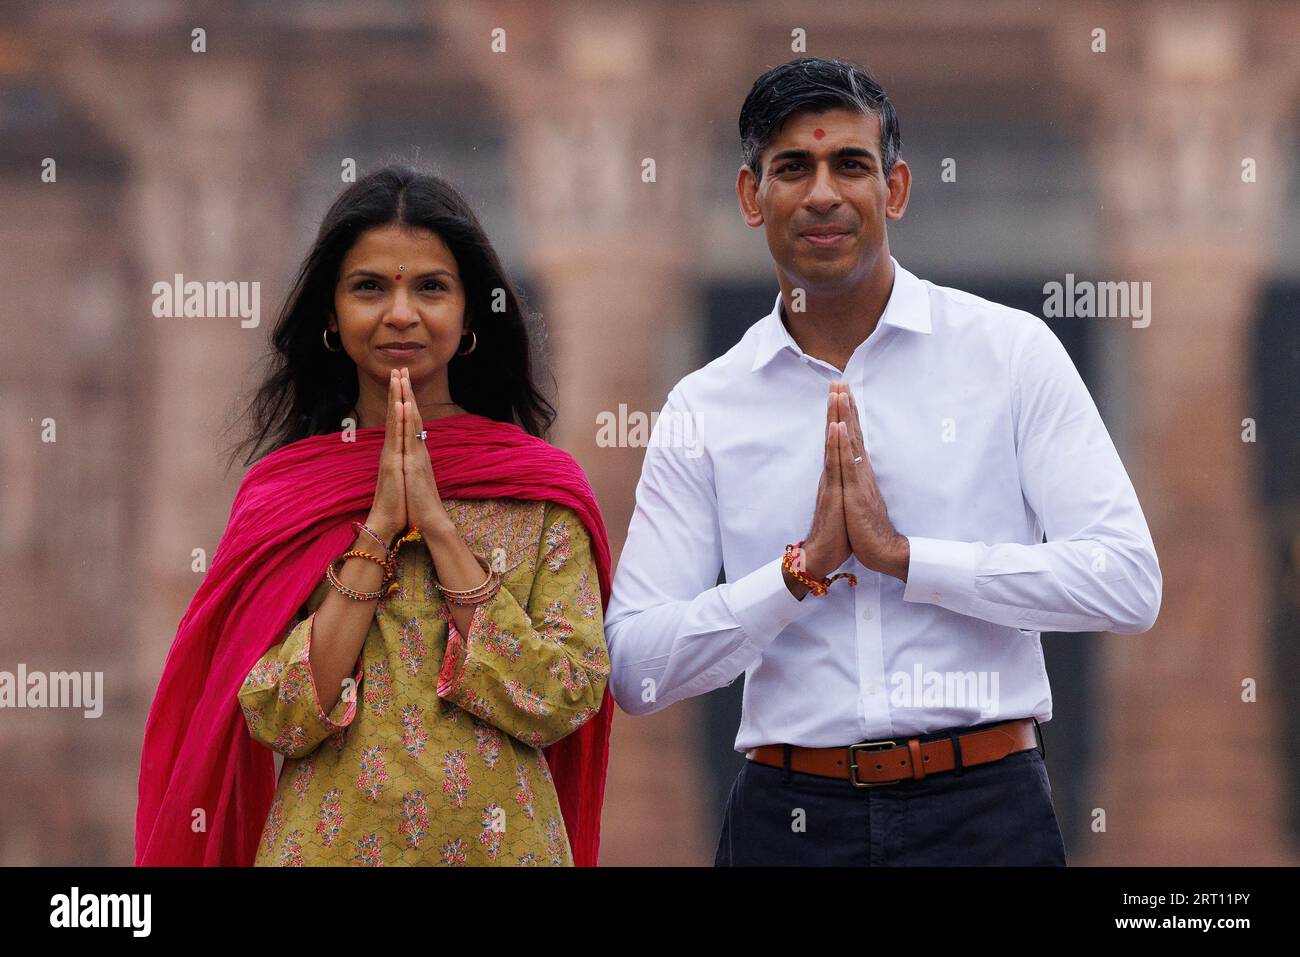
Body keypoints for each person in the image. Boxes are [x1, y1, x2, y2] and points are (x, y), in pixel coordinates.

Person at [604, 58, 1162, 866]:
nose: (823, 193)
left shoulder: (1008, 354)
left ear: (894, 189)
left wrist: (908, 560)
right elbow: (635, 668)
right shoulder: (707, 403)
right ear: (751, 197)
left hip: (983, 807)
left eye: (850, 165)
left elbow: (1127, 582)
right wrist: (797, 575)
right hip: (789, 816)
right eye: (792, 167)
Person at [135, 165, 615, 867]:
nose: (400, 312)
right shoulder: (288, 497)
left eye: (430, 287)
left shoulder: (539, 491)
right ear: (331, 315)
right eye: (369, 287)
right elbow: (282, 714)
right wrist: (378, 529)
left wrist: (441, 530)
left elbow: (566, 693)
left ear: (469, 312)